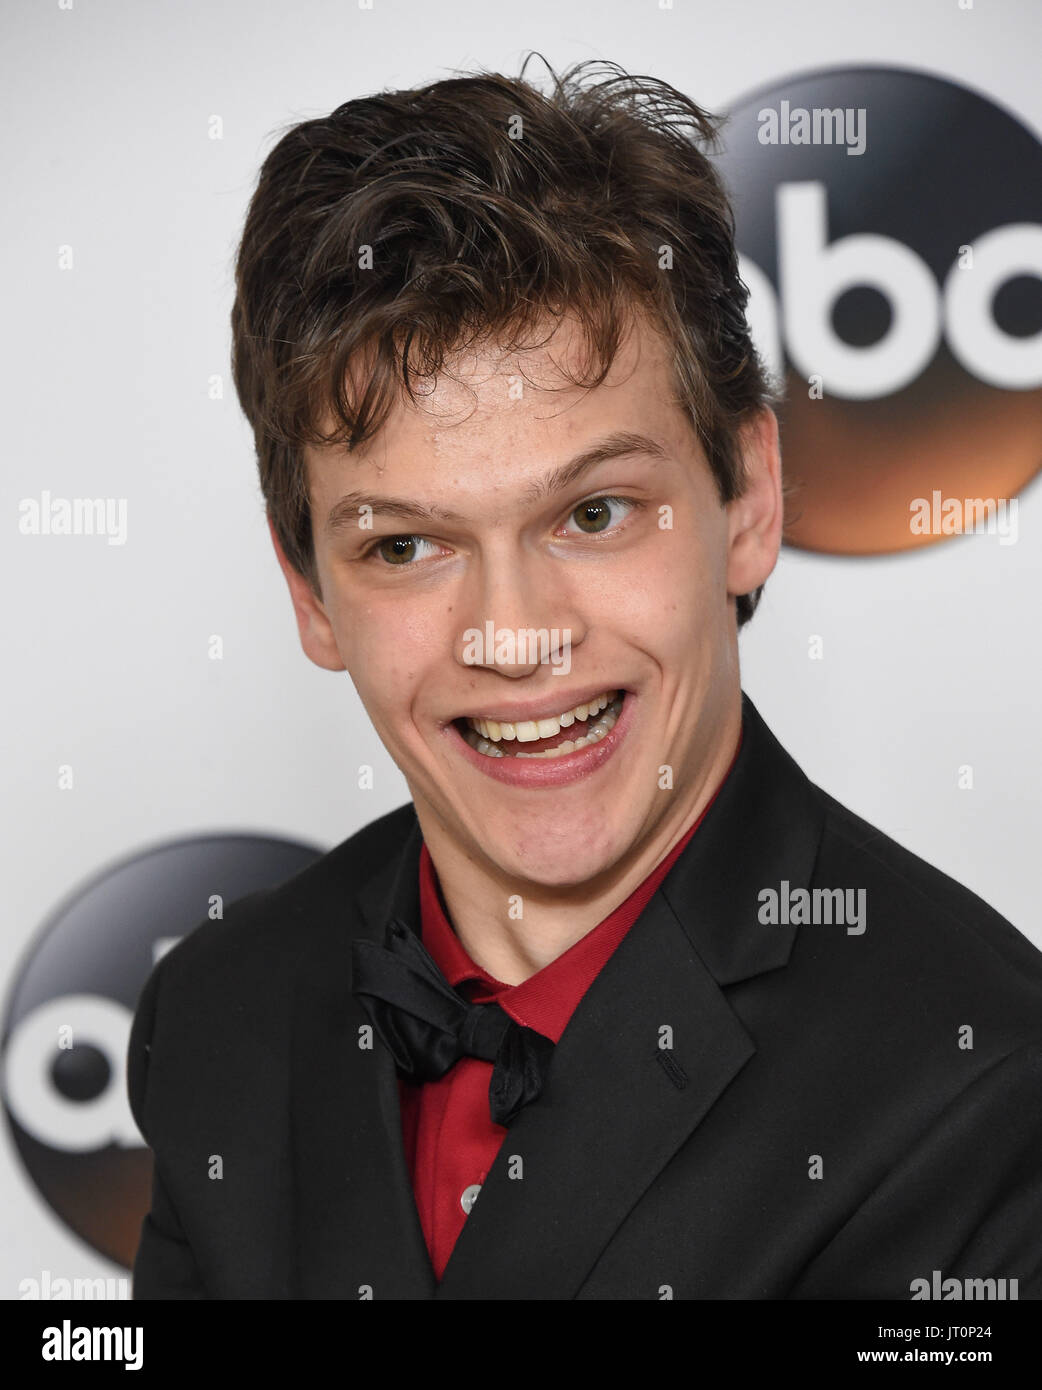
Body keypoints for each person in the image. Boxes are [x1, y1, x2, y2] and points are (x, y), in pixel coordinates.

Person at [127, 56, 1042, 1300]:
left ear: (750, 498)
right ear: (308, 590)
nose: (513, 634)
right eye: (406, 545)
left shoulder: (983, 1083)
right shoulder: (218, 1011)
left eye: (595, 513)